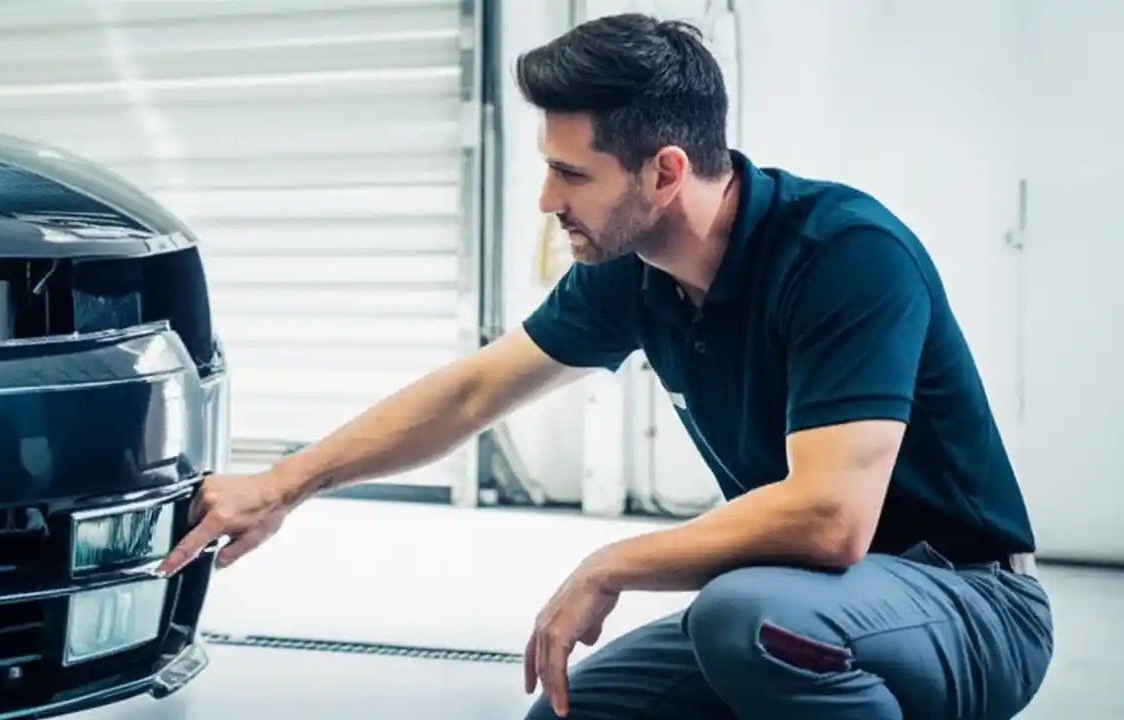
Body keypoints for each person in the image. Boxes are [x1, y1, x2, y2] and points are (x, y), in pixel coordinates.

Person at [156, 13, 1054, 720]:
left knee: (746, 619)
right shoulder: (637, 275)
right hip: (817, 606)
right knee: (573, 710)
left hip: (964, 603)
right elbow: (472, 392)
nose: (546, 200)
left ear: (665, 172)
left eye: (570, 175)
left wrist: (612, 562)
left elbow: (831, 519)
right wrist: (286, 483)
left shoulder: (844, 253)